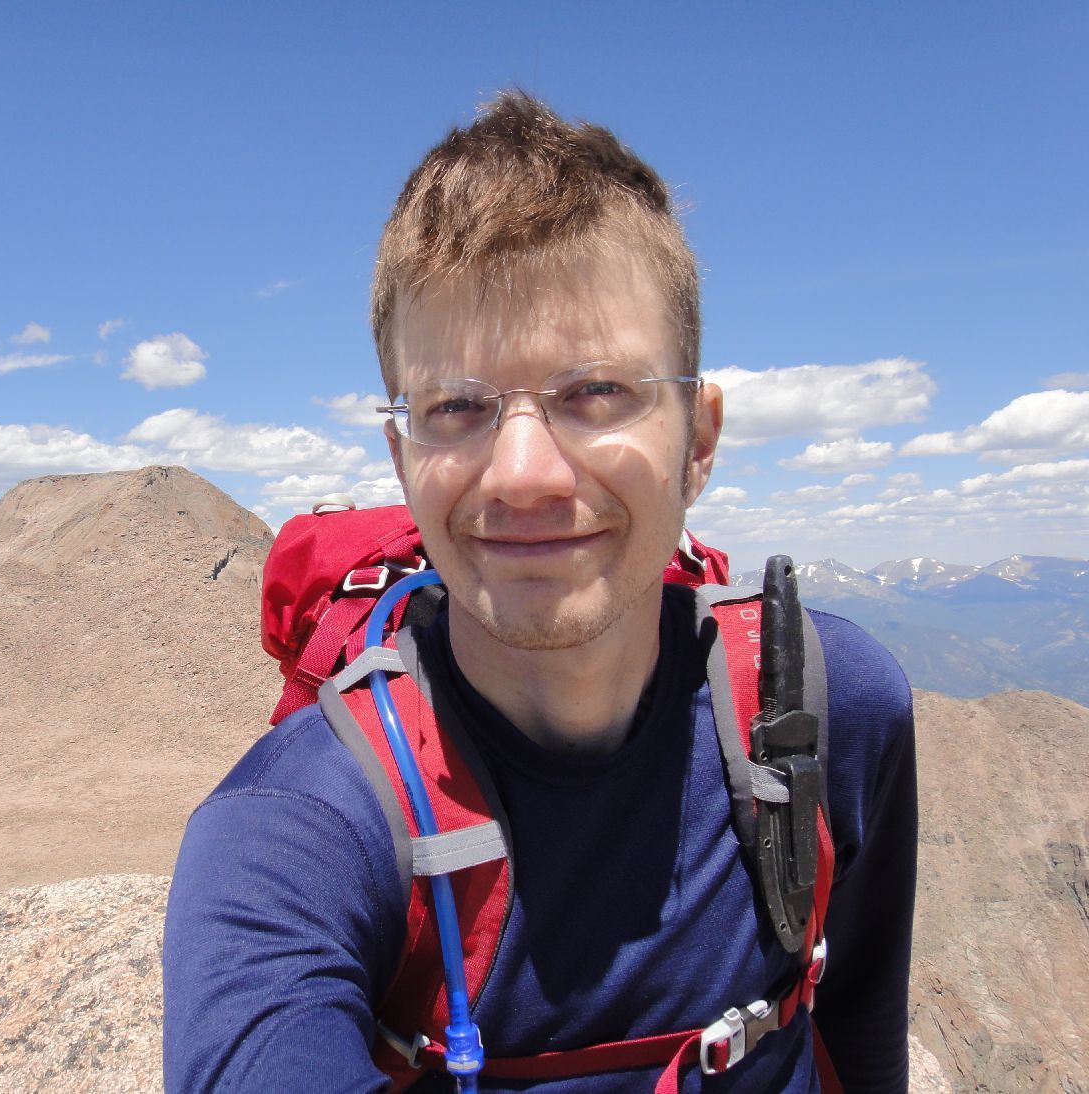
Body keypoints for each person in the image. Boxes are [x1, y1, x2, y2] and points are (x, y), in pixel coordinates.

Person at [163, 92, 917, 1092]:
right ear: (401, 456)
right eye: (457, 406)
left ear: (698, 440)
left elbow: (858, 1028)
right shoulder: (290, 828)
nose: (522, 472)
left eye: (594, 390)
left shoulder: (826, 707)